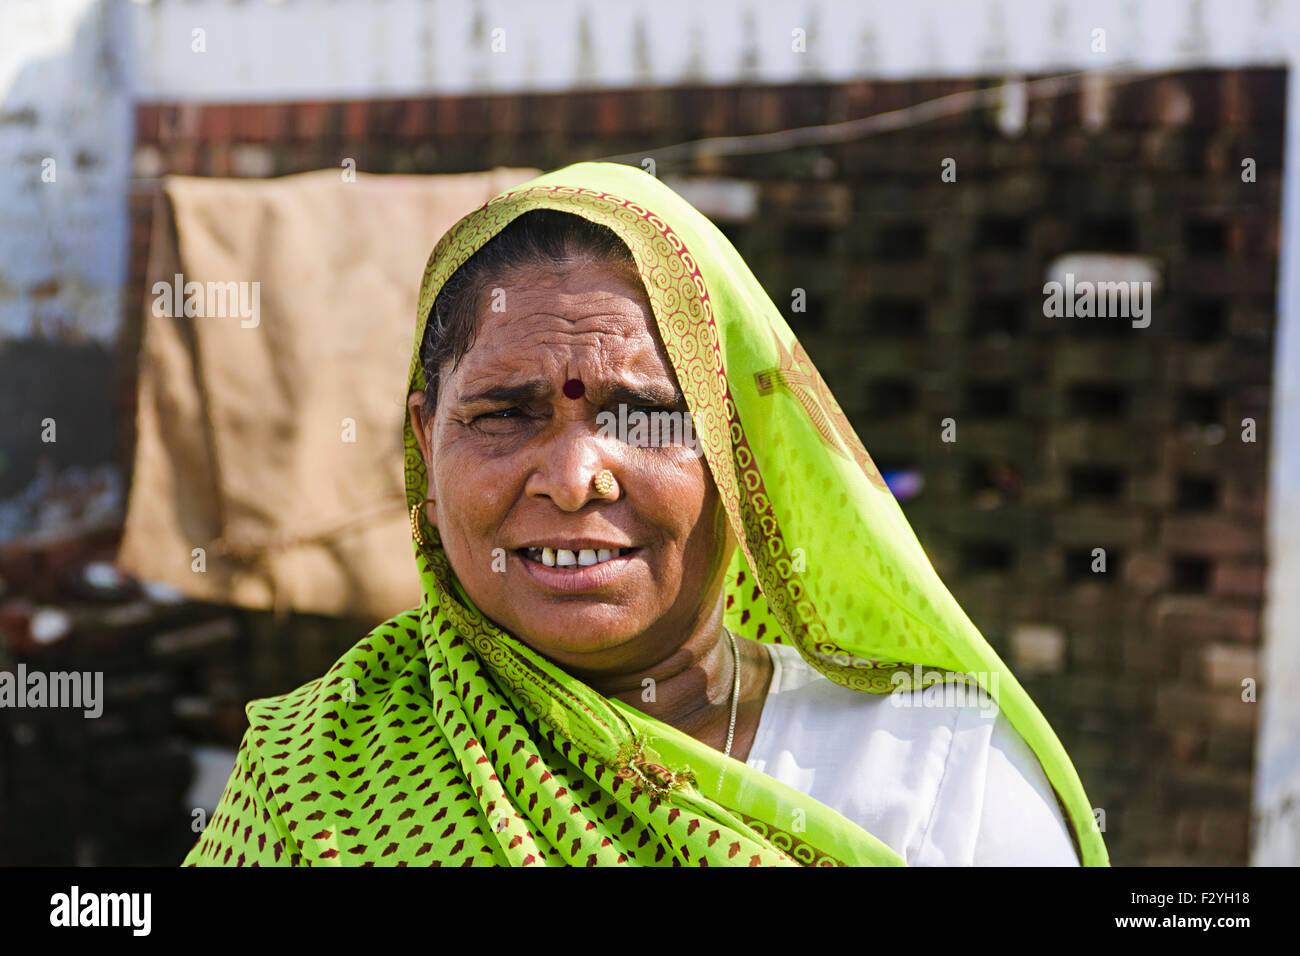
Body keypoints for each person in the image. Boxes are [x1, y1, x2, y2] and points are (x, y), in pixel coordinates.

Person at [183, 161, 1107, 866]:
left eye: (647, 416)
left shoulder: (939, 774)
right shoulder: (318, 775)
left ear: (740, 452)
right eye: (507, 413)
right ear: (425, 445)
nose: (576, 476)